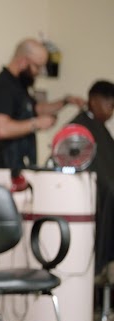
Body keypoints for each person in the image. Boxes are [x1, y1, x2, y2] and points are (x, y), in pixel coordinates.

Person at [0, 38, 85, 182]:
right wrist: (36, 123)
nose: (38, 72)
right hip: (7, 170)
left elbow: (36, 109)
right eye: (37, 67)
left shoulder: (19, 85)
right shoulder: (2, 86)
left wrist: (65, 101)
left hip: (22, 168)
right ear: (24, 61)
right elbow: (1, 129)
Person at [66, 80, 114, 281]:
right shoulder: (79, 128)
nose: (111, 112)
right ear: (94, 101)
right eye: (110, 105)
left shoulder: (100, 128)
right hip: (92, 200)